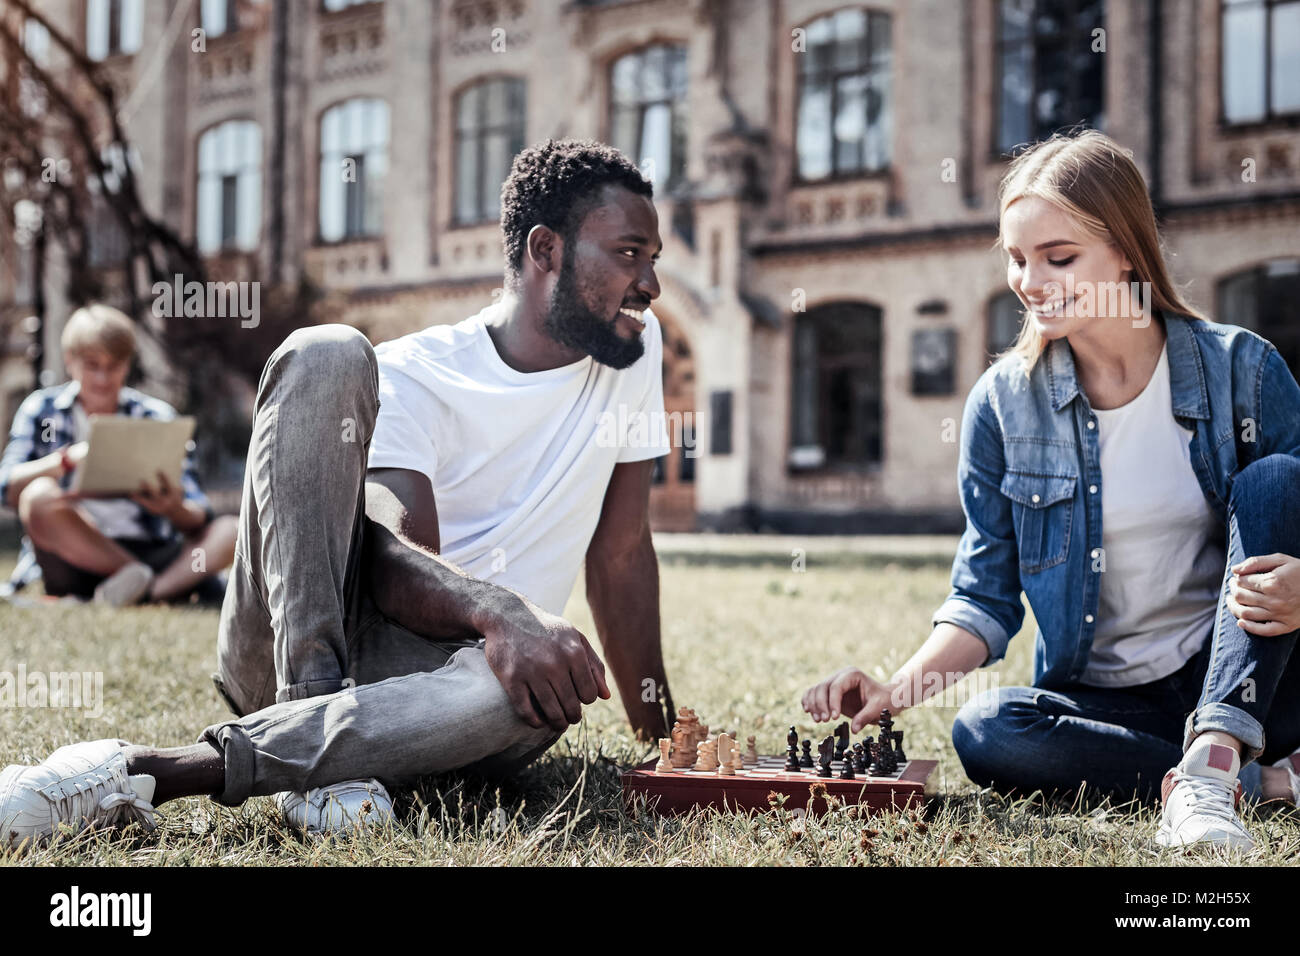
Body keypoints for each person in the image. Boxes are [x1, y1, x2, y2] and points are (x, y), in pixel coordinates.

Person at [0, 140, 677, 847]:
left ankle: (156, 771)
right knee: (325, 352)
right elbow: (382, 558)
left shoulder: (633, 345)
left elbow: (624, 554)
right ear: (547, 251)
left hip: (455, 696)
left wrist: (665, 741)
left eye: (653, 257)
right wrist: (499, 610)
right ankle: (310, 711)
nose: (650, 282)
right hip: (309, 645)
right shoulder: (417, 374)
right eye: (630, 253)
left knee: (530, 693)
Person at [801, 131, 1300, 851]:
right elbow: (985, 597)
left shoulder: (1242, 369)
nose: (1030, 281)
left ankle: (1217, 757)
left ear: (1127, 249)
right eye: (1016, 258)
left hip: (1253, 683)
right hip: (1112, 706)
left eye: (1058, 257)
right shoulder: (1005, 405)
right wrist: (893, 692)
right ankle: (1254, 781)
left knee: (1279, 479)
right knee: (990, 729)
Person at [0, 304, 237, 606]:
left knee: (231, 531)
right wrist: (65, 461)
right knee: (36, 496)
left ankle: (147, 592)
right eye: (92, 365)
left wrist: (174, 508)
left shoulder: (156, 416)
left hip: (152, 548)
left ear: (127, 365)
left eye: (113, 366)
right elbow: (6, 487)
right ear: (69, 361)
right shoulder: (42, 411)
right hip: (72, 555)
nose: (102, 378)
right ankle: (141, 581)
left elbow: (199, 517)